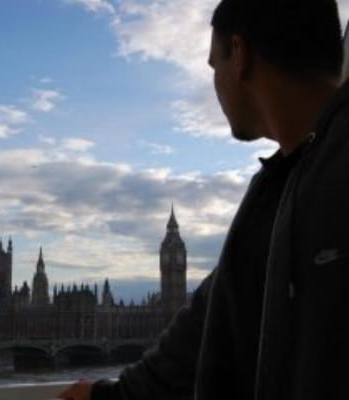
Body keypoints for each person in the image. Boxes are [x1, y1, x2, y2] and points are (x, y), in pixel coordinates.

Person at [60, 0, 348, 398]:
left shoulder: (317, 178)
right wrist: (110, 395)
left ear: (239, 55)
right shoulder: (275, 190)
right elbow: (203, 328)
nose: (215, 86)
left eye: (214, 66)